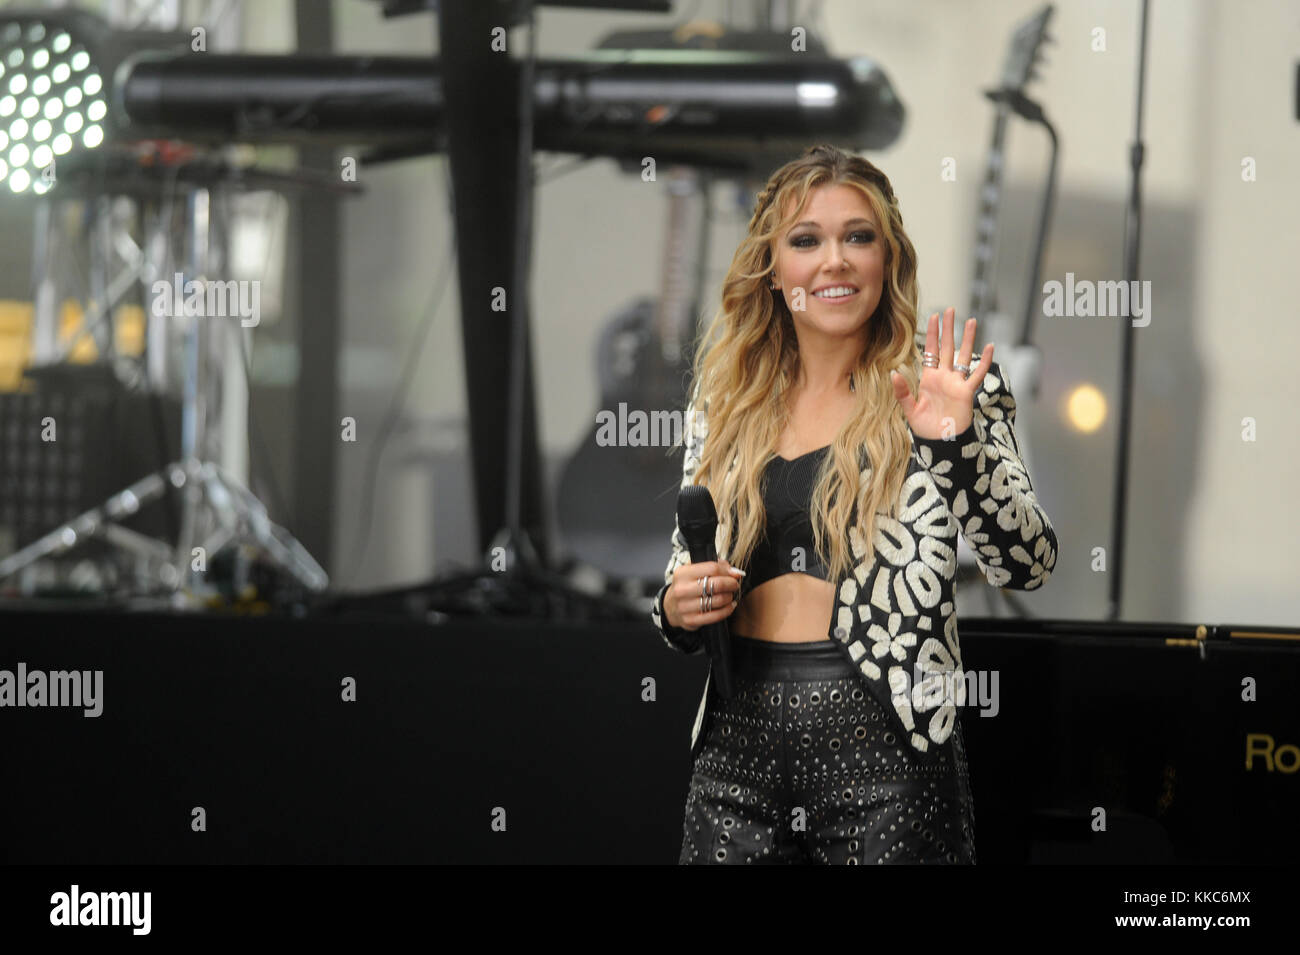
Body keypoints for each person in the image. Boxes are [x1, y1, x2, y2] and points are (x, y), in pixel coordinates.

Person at [649, 143, 1058, 864]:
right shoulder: (726, 403)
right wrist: (677, 608)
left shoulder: (942, 389)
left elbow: (1027, 563)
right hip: (734, 750)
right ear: (774, 269)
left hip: (884, 753)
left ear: (887, 259)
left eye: (858, 237)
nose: (835, 260)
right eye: (807, 240)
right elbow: (687, 575)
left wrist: (954, 445)